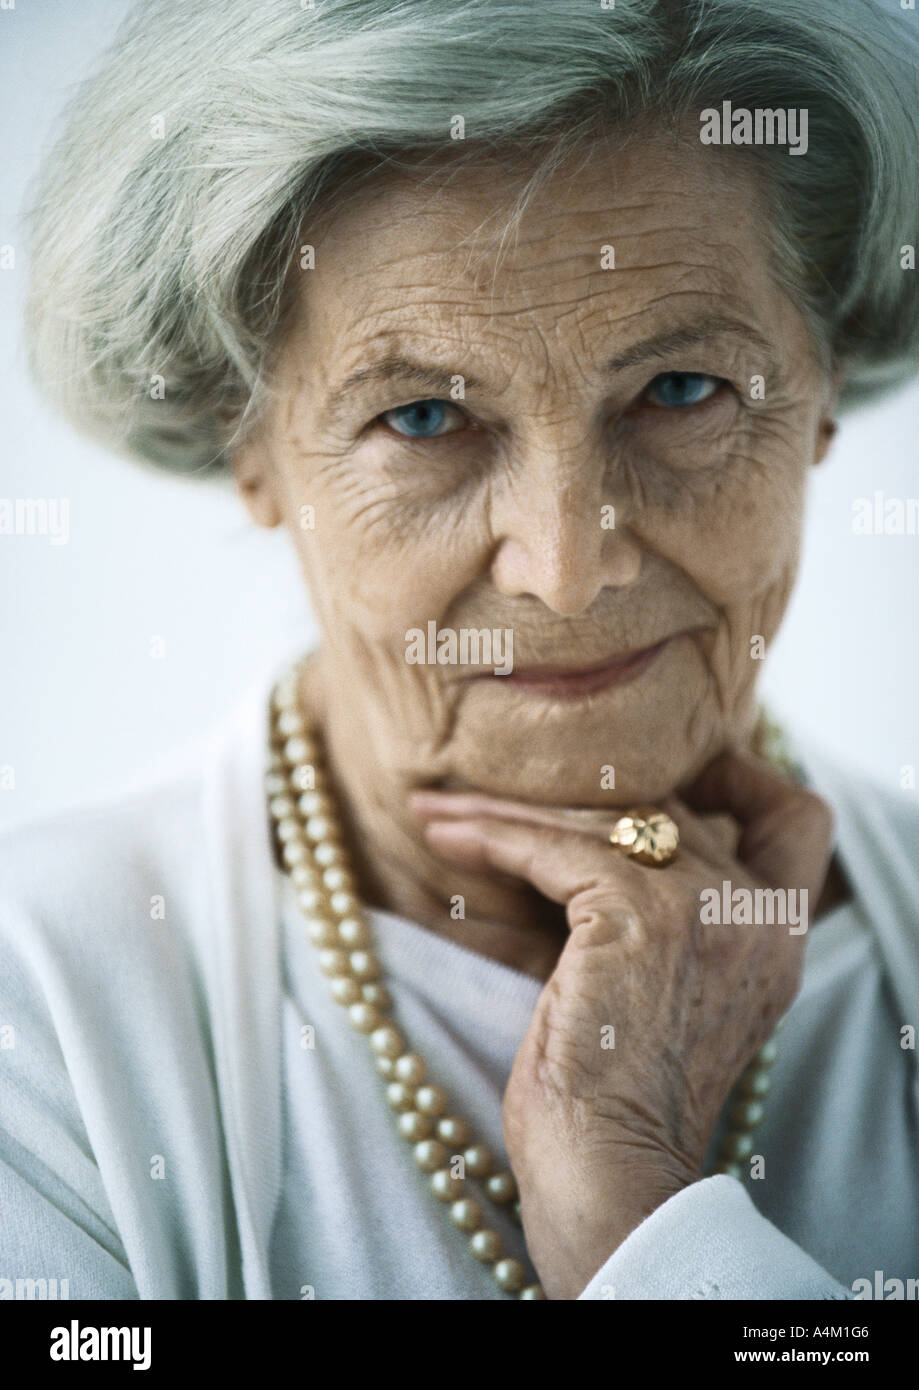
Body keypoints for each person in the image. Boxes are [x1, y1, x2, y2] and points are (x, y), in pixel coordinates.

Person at [2, 0, 918, 1300]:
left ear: (823, 386)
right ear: (244, 444)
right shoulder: (35, 1012)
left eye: (680, 391)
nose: (565, 562)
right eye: (424, 415)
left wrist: (642, 1213)